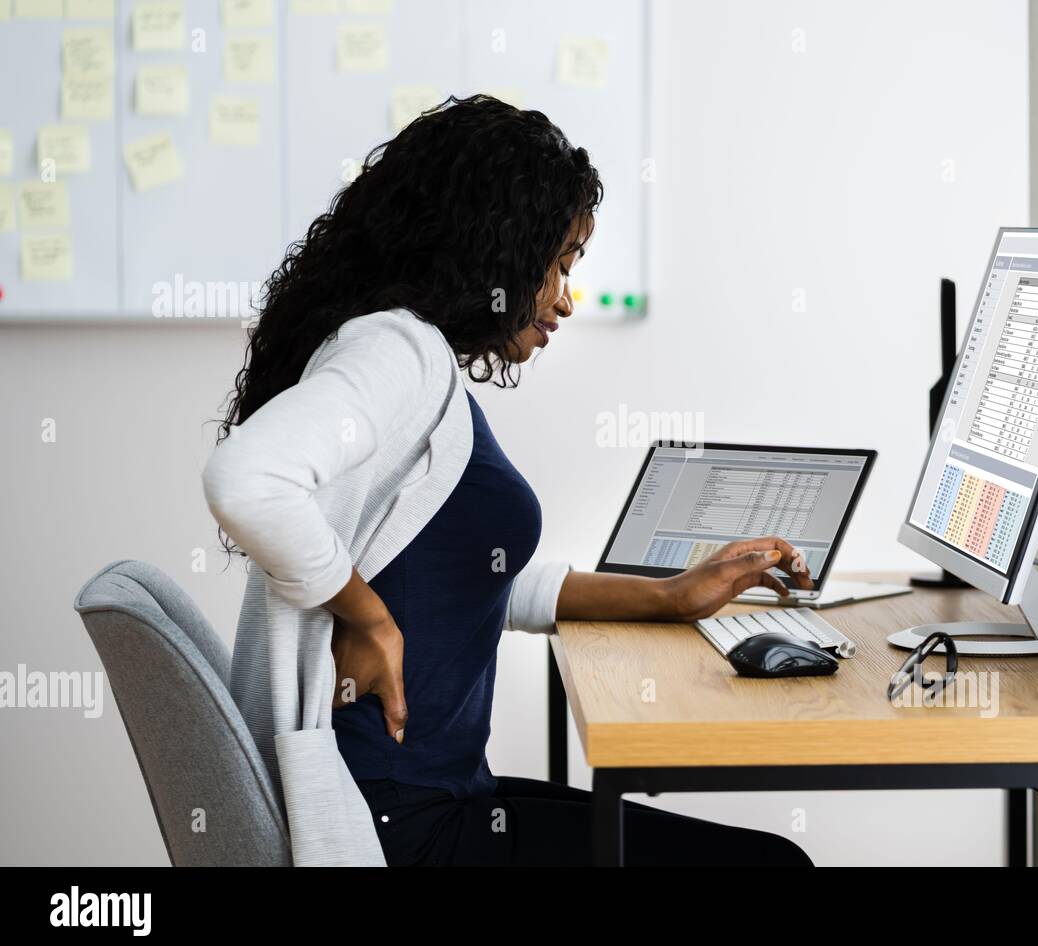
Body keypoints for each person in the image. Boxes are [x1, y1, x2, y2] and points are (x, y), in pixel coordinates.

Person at [204, 95, 813, 867]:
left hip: (438, 799)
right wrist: (367, 620)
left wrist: (669, 596)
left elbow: (478, 581)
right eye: (557, 264)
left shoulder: (424, 370)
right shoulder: (399, 352)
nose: (566, 297)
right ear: (492, 248)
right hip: (399, 825)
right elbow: (247, 478)